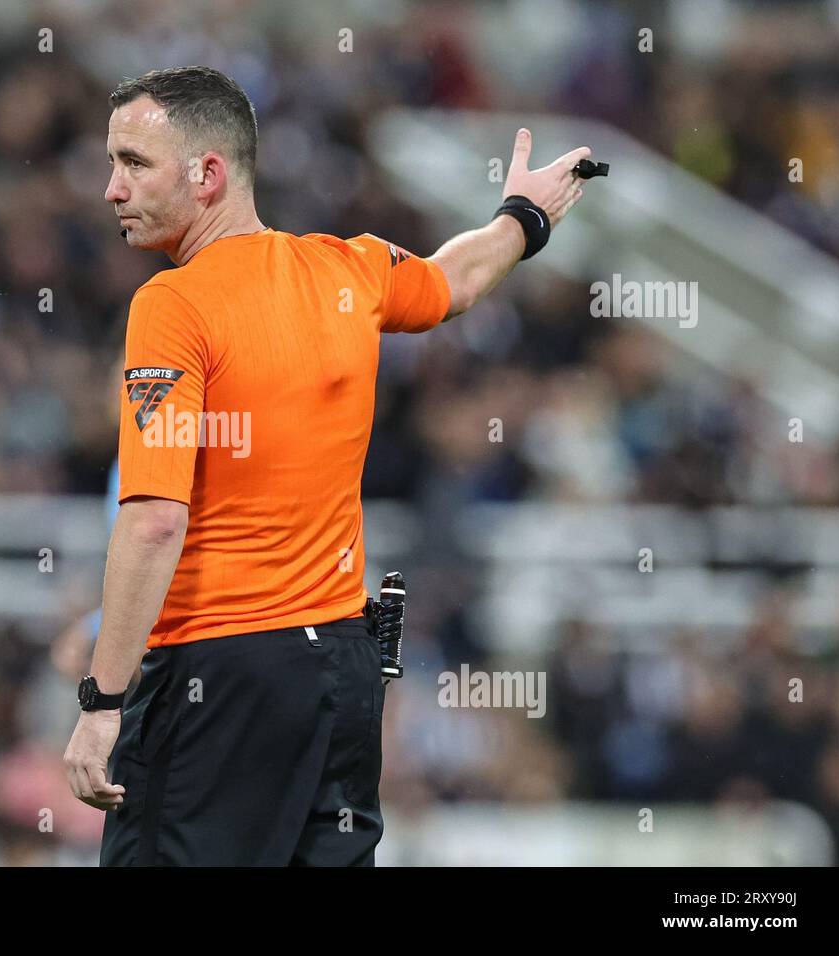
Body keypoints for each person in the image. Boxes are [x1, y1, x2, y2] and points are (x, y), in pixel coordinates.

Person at [62, 65, 591, 866]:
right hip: (341, 672)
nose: (111, 188)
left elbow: (156, 516)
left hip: (217, 677)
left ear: (208, 174)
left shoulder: (171, 306)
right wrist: (524, 216)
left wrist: (101, 701)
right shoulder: (349, 271)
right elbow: (459, 278)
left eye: (133, 163)